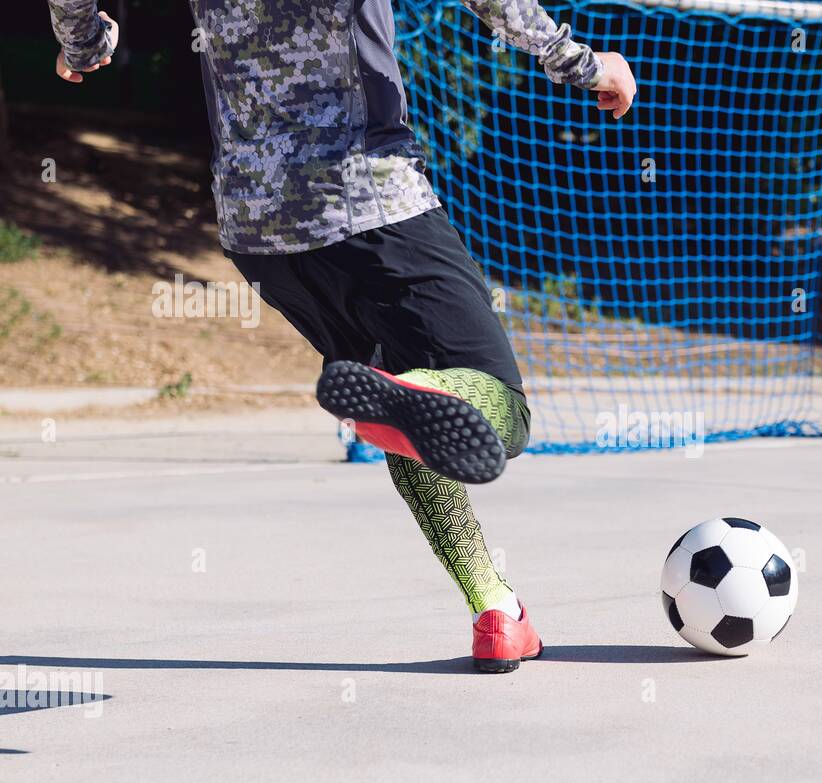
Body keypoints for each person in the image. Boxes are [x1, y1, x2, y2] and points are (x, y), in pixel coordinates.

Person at [46, 0, 637, 672]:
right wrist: (583, 64)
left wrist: (84, 43)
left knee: (403, 417)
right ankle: (422, 394)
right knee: (501, 408)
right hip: (370, 207)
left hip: (259, 230)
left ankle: (496, 609)